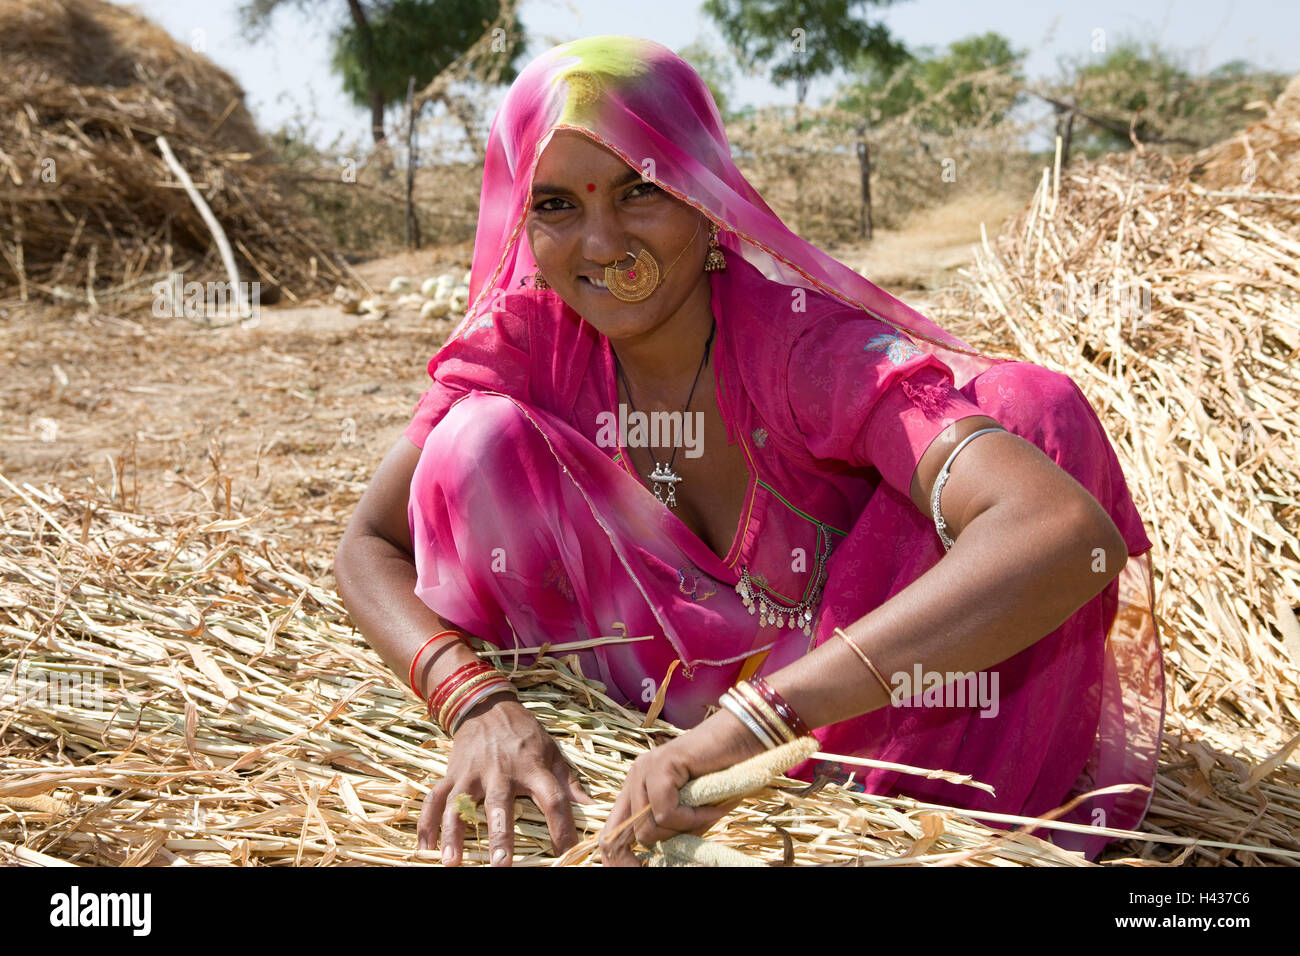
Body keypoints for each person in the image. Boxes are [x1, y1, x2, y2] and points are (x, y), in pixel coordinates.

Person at [333, 35, 1164, 867]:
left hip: (841, 712)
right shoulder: (525, 343)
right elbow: (367, 544)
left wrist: (754, 724)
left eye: (640, 189)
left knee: (1029, 412)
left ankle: (899, 811)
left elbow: (1064, 532)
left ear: (702, 190)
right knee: (475, 440)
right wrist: (476, 704)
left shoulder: (799, 346)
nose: (600, 243)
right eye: (555, 205)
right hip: (631, 700)